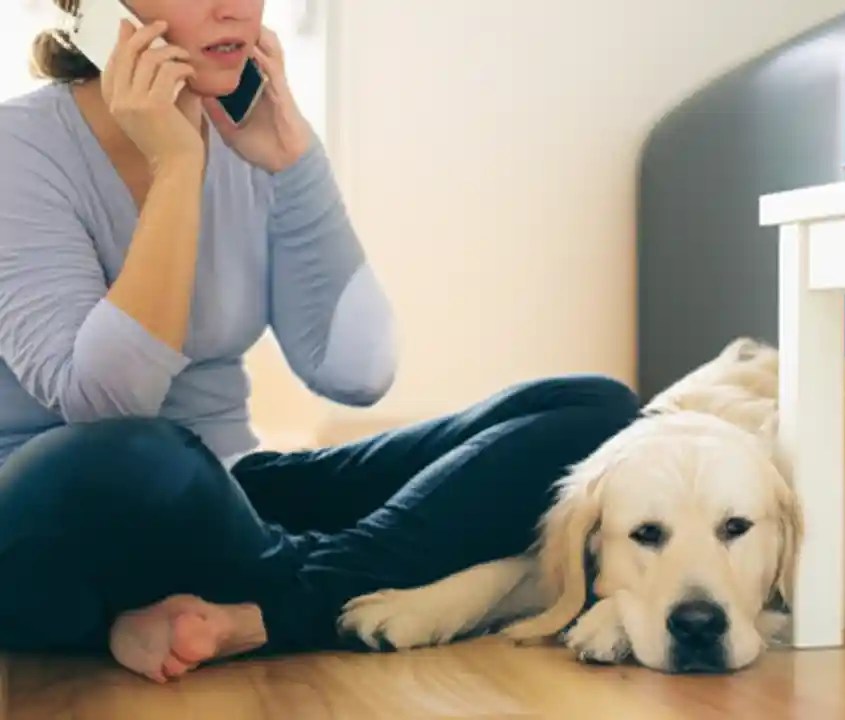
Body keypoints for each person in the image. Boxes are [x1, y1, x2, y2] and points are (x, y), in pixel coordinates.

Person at [0, 0, 638, 684]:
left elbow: (355, 371)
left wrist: (293, 162)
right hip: (60, 517)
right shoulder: (19, 150)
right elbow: (107, 405)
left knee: (593, 414)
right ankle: (327, 590)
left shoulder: (243, 135)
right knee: (138, 456)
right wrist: (177, 169)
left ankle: (283, 603)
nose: (234, 7)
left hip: (229, 500)